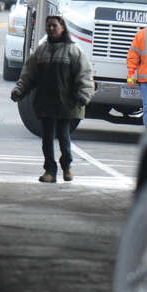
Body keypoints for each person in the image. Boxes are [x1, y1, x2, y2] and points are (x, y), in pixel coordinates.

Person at [9, 15, 94, 183]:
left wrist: (84, 95)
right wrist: (19, 90)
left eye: (54, 25)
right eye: (48, 26)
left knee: (63, 136)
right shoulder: (41, 51)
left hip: (67, 104)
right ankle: (50, 171)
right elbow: (28, 74)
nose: (51, 29)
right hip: (45, 103)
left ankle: (66, 166)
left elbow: (85, 74)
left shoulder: (73, 51)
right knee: (47, 138)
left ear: (63, 28)